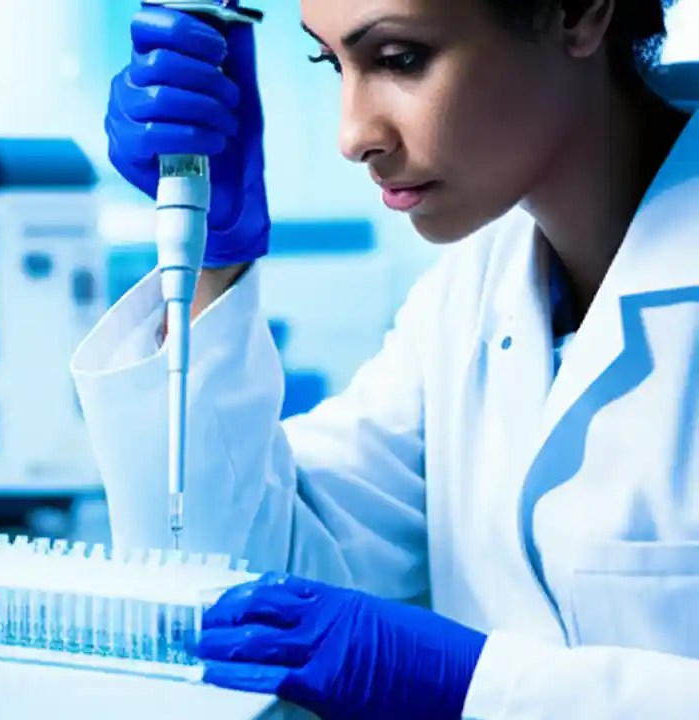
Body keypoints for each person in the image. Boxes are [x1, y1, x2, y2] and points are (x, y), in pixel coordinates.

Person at [72, 0, 699, 717]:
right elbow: (232, 580)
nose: (353, 136)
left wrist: (477, 686)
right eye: (331, 62)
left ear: (580, 12)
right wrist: (215, 258)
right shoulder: (468, 296)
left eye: (401, 59)